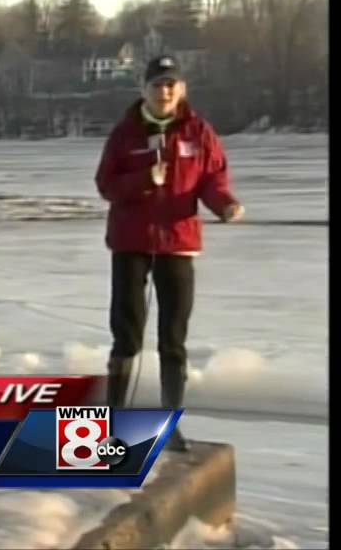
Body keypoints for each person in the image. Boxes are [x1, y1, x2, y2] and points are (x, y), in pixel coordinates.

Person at [94, 55, 244, 452]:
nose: (166, 91)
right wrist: (144, 179)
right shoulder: (126, 133)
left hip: (178, 243)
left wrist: (225, 204)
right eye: (158, 84)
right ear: (144, 90)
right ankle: (113, 421)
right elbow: (106, 184)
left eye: (172, 84)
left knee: (173, 338)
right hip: (131, 243)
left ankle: (169, 424)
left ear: (182, 89)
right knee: (127, 335)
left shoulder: (198, 131)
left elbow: (212, 180)